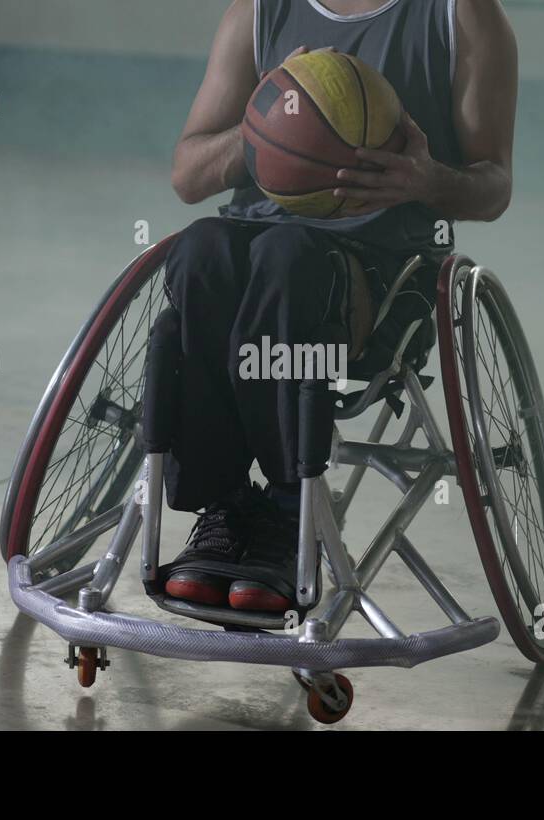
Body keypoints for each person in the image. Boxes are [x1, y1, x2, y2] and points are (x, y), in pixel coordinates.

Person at [160, 0, 519, 613]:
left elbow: (494, 186)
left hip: (381, 265)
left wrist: (428, 180)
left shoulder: (464, 17)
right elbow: (188, 176)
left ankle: (283, 509)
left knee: (287, 259)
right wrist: (258, 135)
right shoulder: (258, 11)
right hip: (258, 240)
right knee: (200, 250)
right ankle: (222, 505)